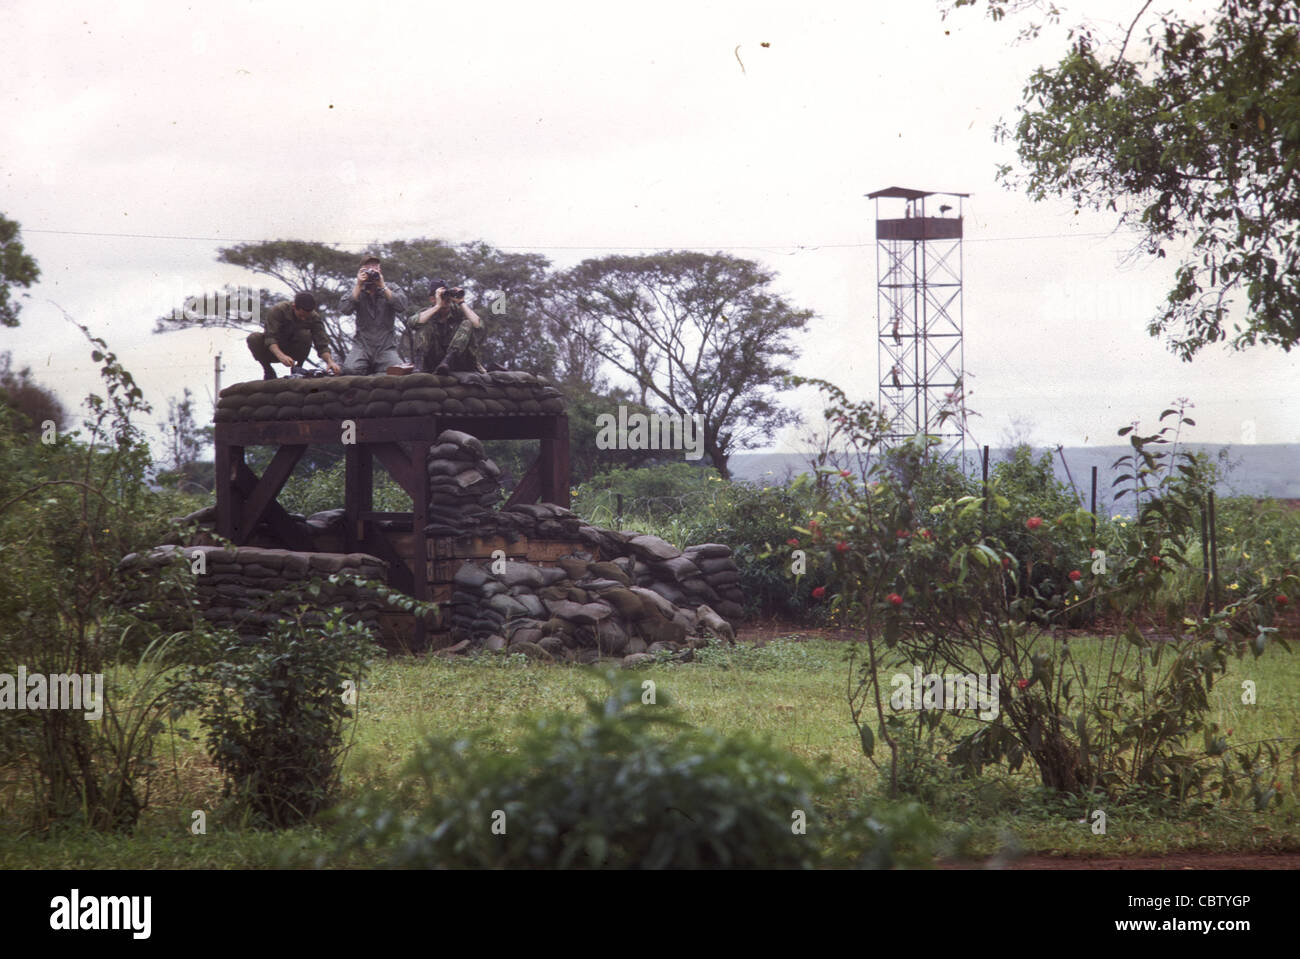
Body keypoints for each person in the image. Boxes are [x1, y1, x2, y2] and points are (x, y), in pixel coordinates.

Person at [246, 292, 341, 380]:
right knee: (254, 338)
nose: (303, 319)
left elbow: (322, 344)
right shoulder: (278, 310)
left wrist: (330, 361)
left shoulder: (314, 317)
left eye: (306, 317)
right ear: (294, 306)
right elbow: (270, 338)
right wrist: (281, 356)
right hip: (273, 350)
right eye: (300, 316)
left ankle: (298, 369)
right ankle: (268, 370)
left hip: (294, 349)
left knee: (305, 334)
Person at [338, 255, 408, 375]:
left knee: (398, 372)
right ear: (361, 271)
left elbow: (401, 306)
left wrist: (382, 286)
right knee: (349, 369)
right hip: (362, 346)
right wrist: (359, 285)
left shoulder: (391, 287)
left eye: (375, 266)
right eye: (368, 267)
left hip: (385, 347)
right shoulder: (356, 290)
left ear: (380, 269)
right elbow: (345, 309)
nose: (372, 270)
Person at [411, 279, 491, 374]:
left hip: (458, 359)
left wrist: (461, 302)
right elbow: (412, 323)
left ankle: (448, 361)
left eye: (448, 295)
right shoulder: (426, 313)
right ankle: (419, 364)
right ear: (432, 299)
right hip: (433, 360)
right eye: (443, 296)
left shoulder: (458, 311)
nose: (447, 299)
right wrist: (437, 306)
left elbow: (478, 326)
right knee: (423, 324)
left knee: (467, 323)